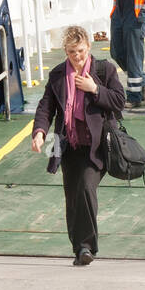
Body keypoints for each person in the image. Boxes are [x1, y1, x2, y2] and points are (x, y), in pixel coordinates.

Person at [32, 25, 126, 266]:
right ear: (65, 50)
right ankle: (79, 248)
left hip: (96, 146)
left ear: (89, 48)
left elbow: (119, 101)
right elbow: (46, 107)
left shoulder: (104, 70)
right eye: (72, 51)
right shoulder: (57, 75)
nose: (77, 56)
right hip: (68, 145)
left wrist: (94, 89)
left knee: (86, 187)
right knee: (72, 197)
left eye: (81, 51)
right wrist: (40, 132)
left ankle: (87, 246)